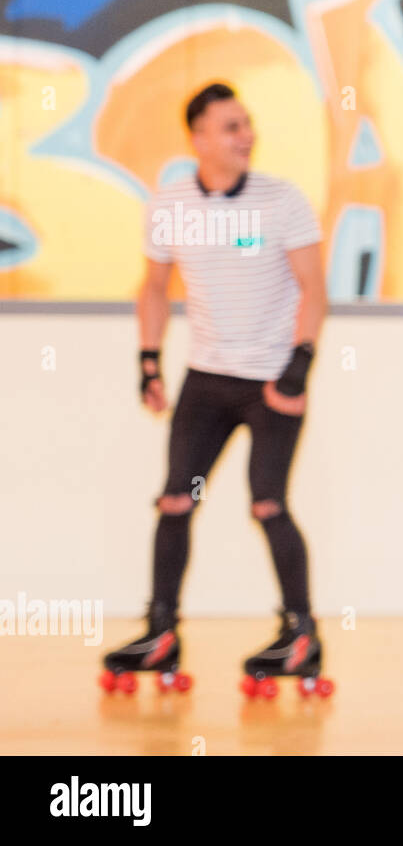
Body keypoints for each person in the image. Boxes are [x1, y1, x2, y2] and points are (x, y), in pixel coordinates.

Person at [99, 83, 330, 697]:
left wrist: (299, 365)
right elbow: (152, 287)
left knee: (268, 504)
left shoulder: (282, 201)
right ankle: (161, 632)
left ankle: (301, 636)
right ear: (198, 137)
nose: (245, 135)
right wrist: (148, 362)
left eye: (248, 123)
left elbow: (314, 288)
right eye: (231, 127)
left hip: (272, 384)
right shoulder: (171, 204)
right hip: (206, 382)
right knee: (177, 501)